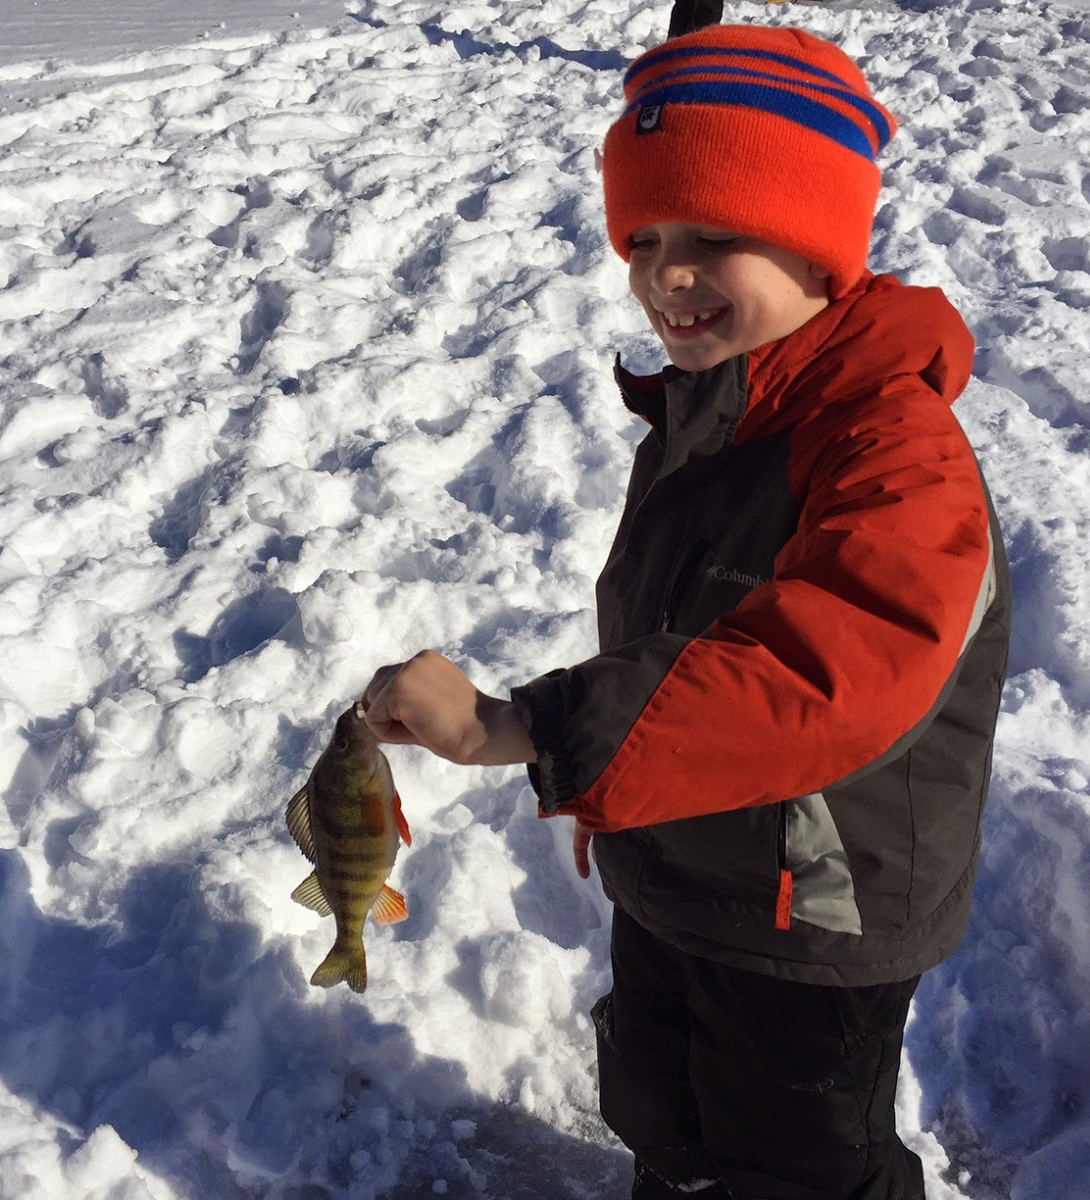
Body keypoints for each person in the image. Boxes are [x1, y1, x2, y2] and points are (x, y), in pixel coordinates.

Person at [364, 23, 1011, 1200]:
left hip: (813, 916)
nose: (666, 274)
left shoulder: (892, 451)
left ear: (823, 252)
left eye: (714, 237)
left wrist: (536, 731)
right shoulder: (717, 406)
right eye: (644, 238)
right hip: (680, 853)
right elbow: (674, 630)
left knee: (797, 1164)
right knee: (660, 1103)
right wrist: (628, 785)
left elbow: (826, 670)